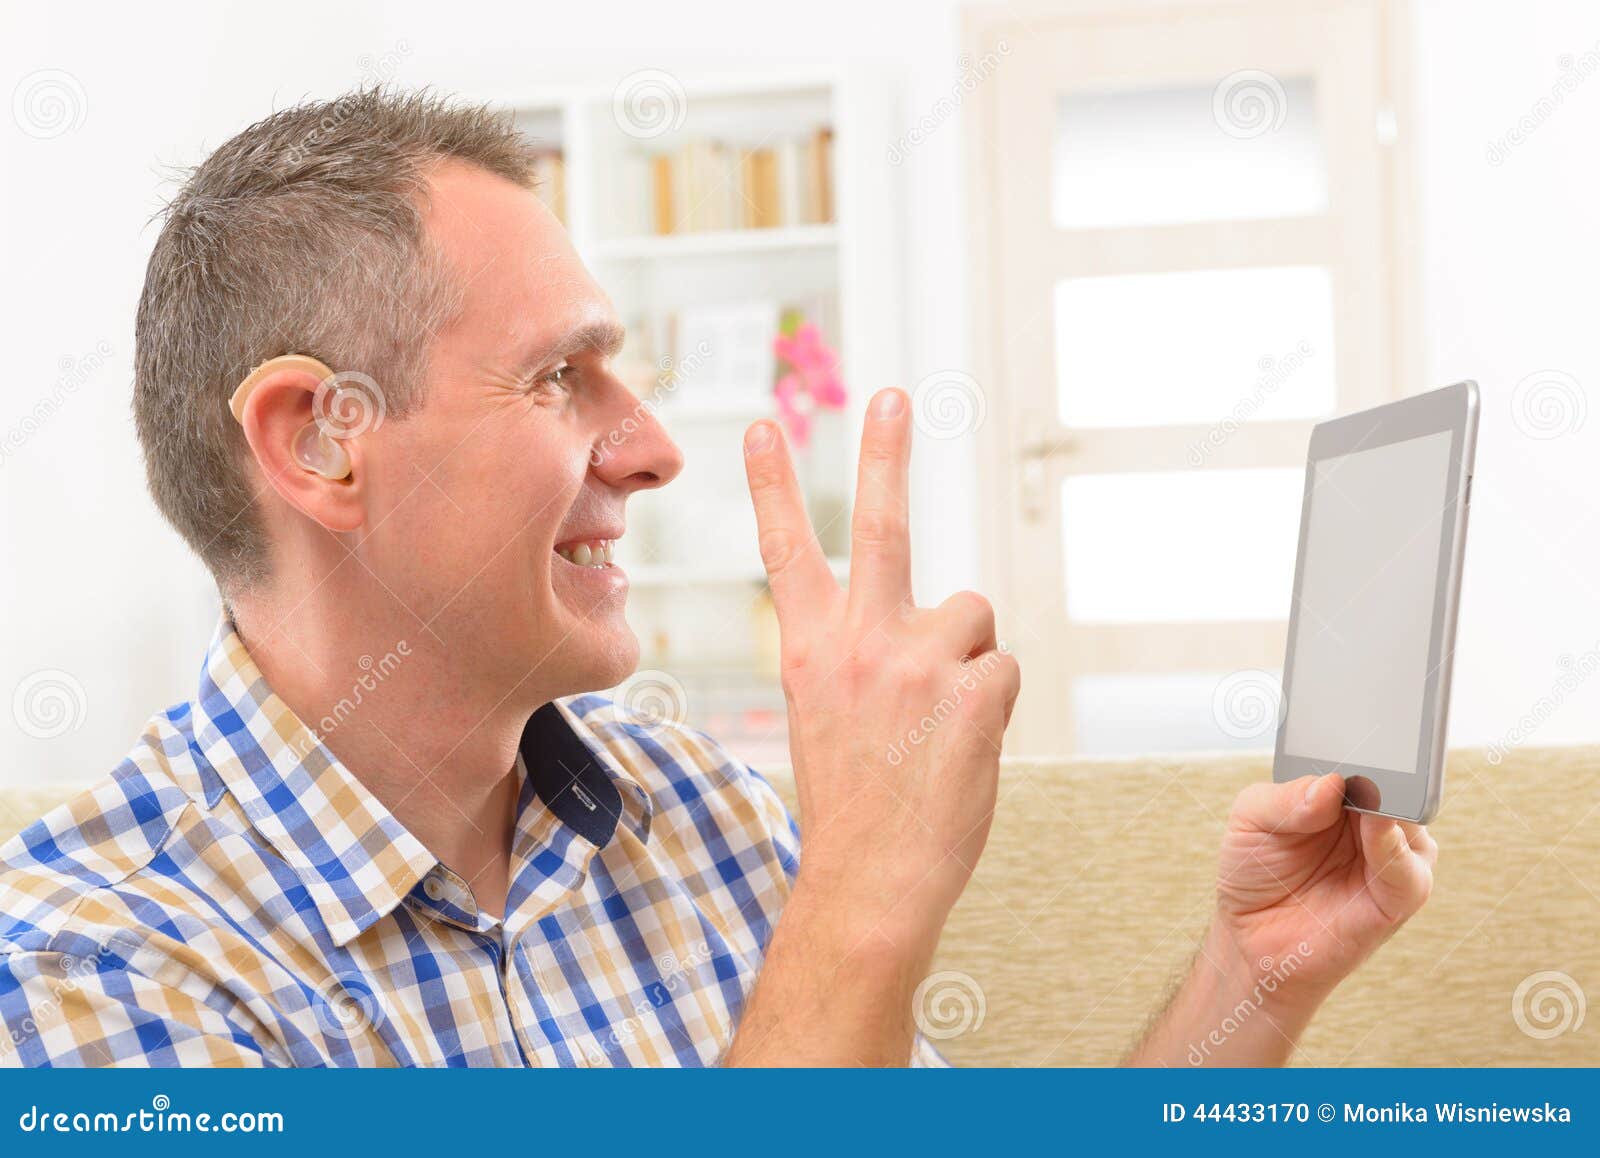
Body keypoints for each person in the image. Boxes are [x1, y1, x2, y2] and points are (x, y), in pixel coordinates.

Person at [0, 89, 1435, 1067]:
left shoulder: (702, 819)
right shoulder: (92, 969)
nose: (647, 448)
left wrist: (1258, 971)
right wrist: (865, 889)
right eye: (560, 376)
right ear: (322, 442)